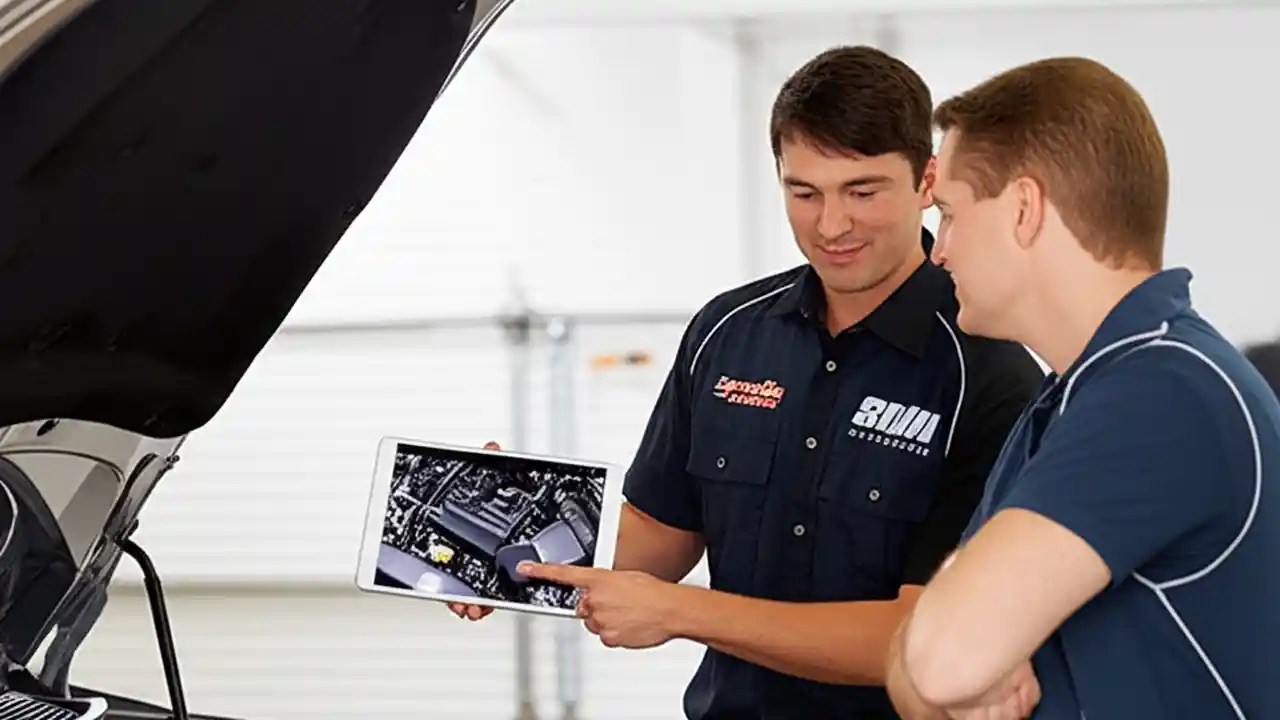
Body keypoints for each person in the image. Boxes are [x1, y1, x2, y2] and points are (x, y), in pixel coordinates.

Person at [455, 45, 1044, 718]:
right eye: (804, 193)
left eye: (862, 191)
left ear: (926, 180)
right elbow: (658, 534)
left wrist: (685, 612)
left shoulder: (990, 375)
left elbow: (922, 638)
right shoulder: (725, 332)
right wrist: (513, 536)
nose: (831, 226)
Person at [887, 56, 1280, 720]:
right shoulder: (1065, 403)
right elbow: (916, 675)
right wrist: (945, 639)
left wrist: (951, 636)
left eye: (950, 213)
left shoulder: (1166, 392)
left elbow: (940, 659)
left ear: (1023, 209)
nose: (938, 250)